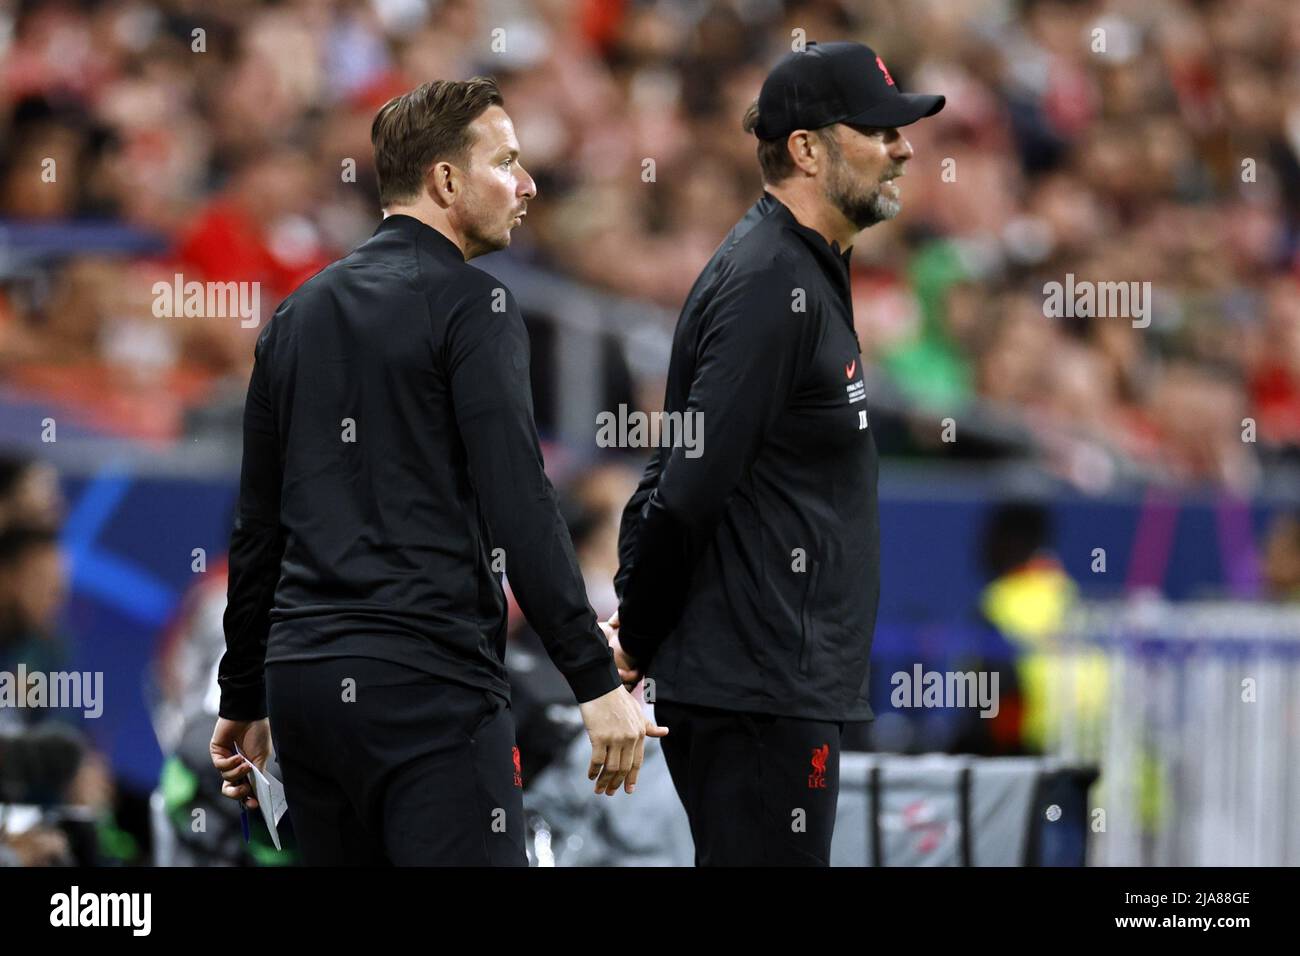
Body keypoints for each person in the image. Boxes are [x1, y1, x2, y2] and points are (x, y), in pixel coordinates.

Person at [210, 77, 663, 866]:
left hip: (307, 691)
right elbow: (521, 502)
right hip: (428, 691)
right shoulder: (474, 306)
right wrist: (594, 683)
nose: (526, 186)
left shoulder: (296, 313)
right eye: (507, 163)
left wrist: (243, 693)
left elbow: (258, 529)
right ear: (446, 180)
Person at [609, 41, 943, 865]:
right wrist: (637, 635)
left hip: (768, 681)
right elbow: (686, 486)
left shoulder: (797, 267)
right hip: (757, 687)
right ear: (806, 149)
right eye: (878, 130)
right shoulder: (771, 284)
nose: (903, 147)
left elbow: (676, 458)